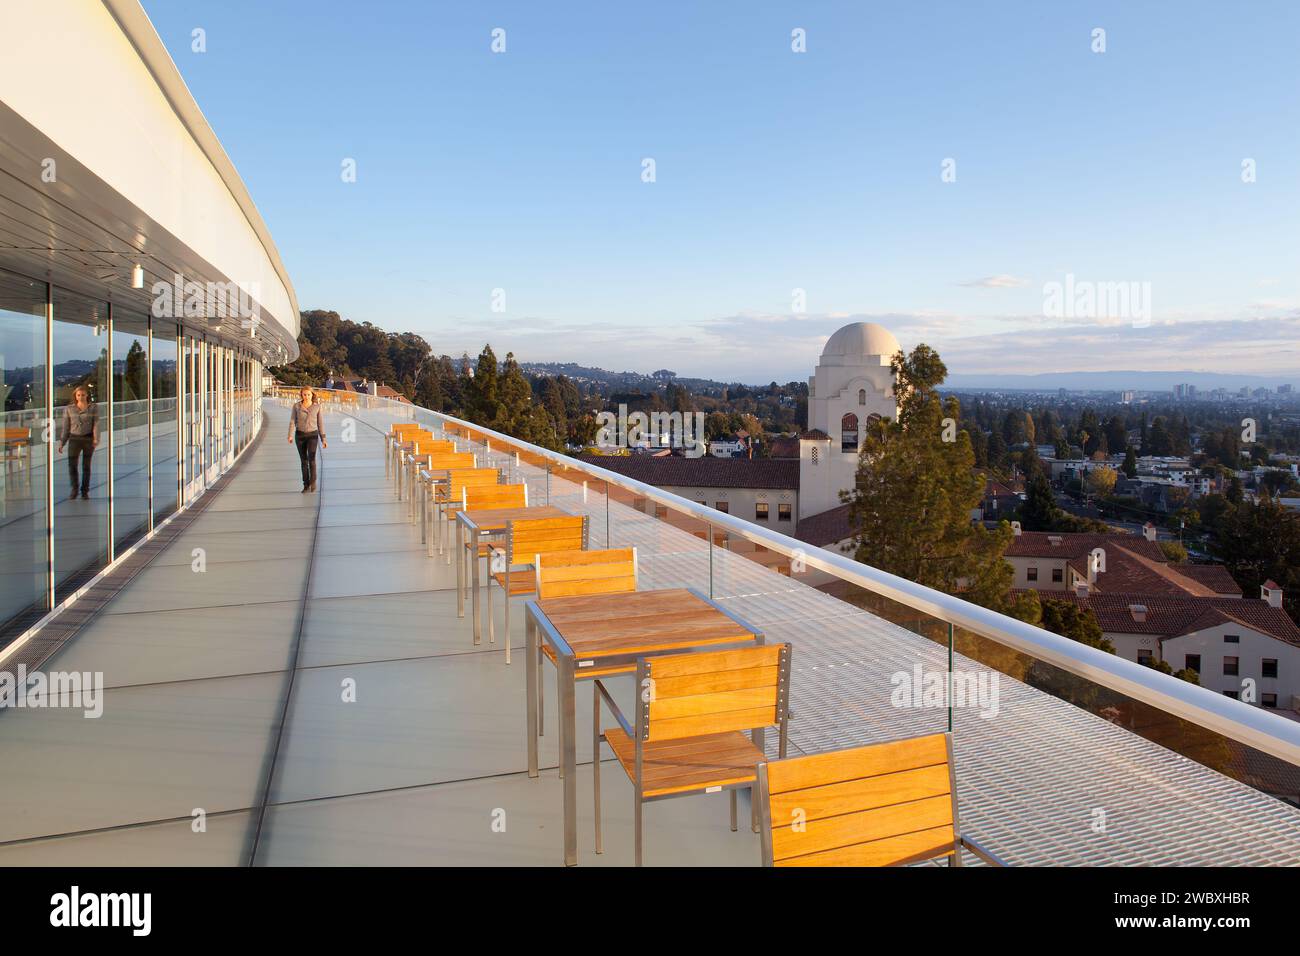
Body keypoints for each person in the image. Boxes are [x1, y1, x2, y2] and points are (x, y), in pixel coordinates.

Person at [57, 385, 99, 500]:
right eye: (78, 395)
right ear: (75, 396)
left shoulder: (93, 407)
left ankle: (85, 491)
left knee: (86, 466)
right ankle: (74, 489)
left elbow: (96, 424)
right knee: (72, 465)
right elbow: (66, 427)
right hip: (74, 439)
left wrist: (96, 439)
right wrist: (62, 442)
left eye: (83, 395)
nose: (81, 397)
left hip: (88, 439)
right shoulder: (69, 409)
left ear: (87, 395)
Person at [288, 386, 327, 492]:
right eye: (304, 394)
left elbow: (320, 424)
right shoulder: (296, 406)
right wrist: (290, 435)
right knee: (304, 461)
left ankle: (313, 482)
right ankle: (306, 484)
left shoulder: (317, 407)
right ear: (301, 395)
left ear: (312, 395)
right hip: (300, 436)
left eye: (308, 394)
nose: (306, 397)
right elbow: (292, 421)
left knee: (312, 460)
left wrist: (323, 439)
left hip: (312, 436)